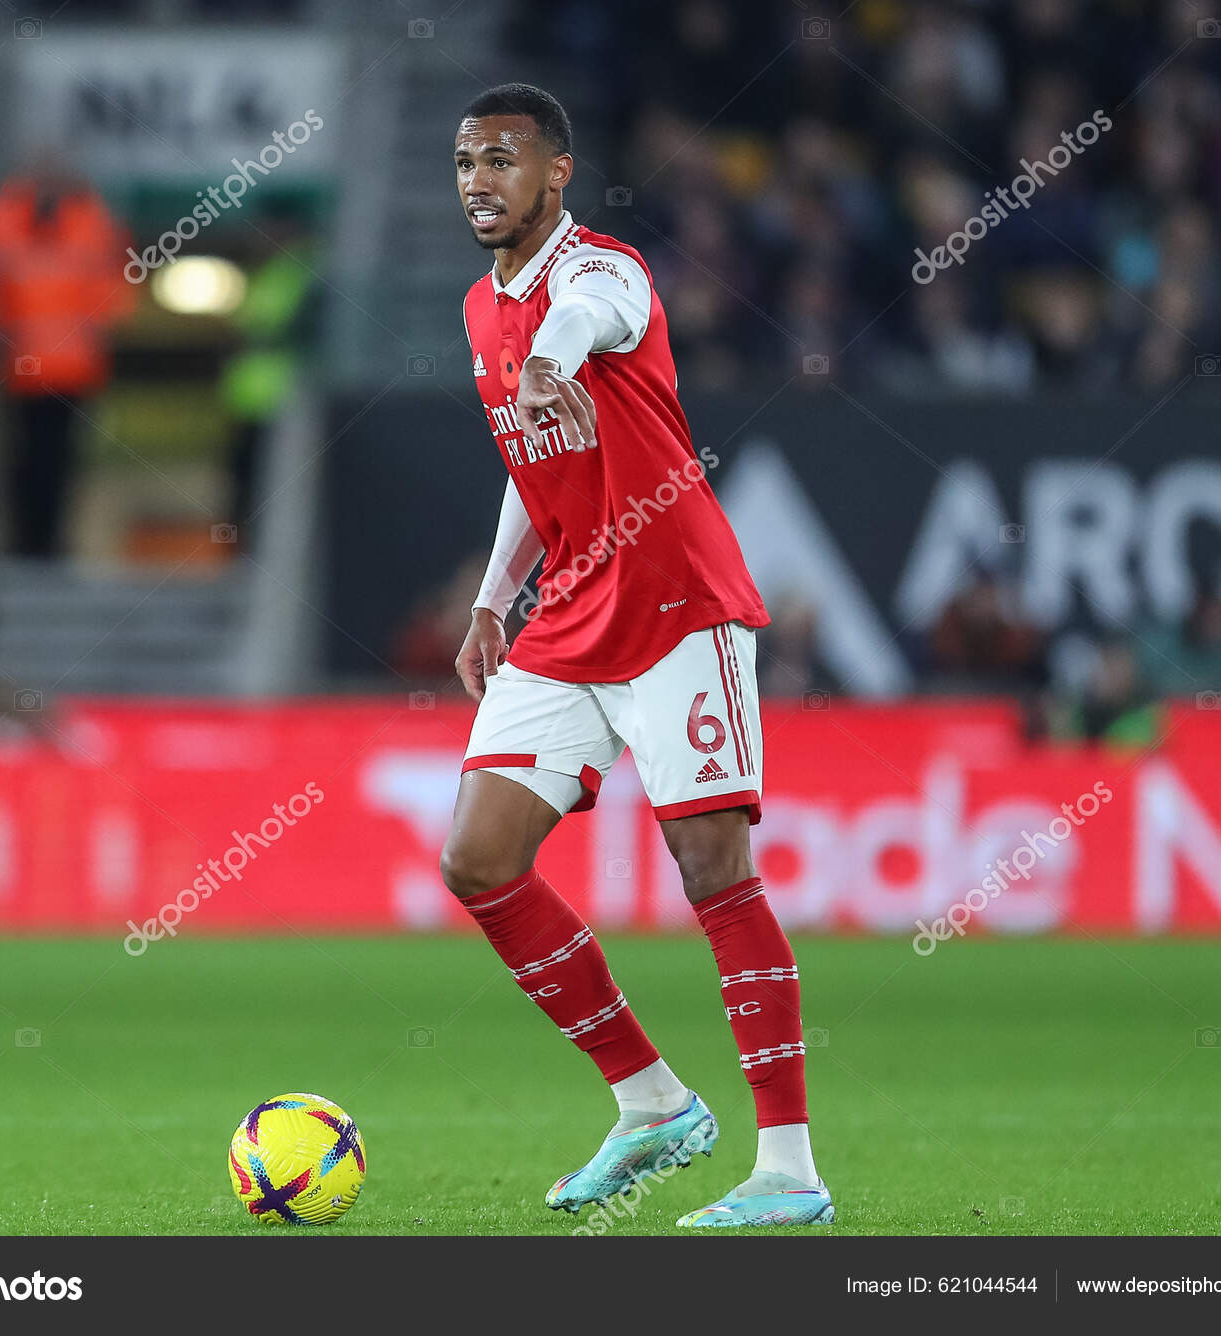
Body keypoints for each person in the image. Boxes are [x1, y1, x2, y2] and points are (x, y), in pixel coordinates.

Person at [440, 84, 829, 1228]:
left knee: (713, 871)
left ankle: (789, 1170)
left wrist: (554, 357)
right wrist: (489, 597)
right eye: (465, 160)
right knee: (478, 858)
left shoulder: (600, 272)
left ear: (556, 173)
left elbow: (585, 327)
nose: (479, 179)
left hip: (671, 603)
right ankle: (652, 1102)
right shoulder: (477, 307)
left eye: (503, 160)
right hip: (564, 616)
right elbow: (532, 459)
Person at [0, 159, 132, 557]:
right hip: (24, 372)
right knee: (23, 461)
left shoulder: (90, 225)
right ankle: (28, 540)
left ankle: (47, 541)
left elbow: (115, 293)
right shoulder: (4, 222)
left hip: (70, 372)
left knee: (58, 461)